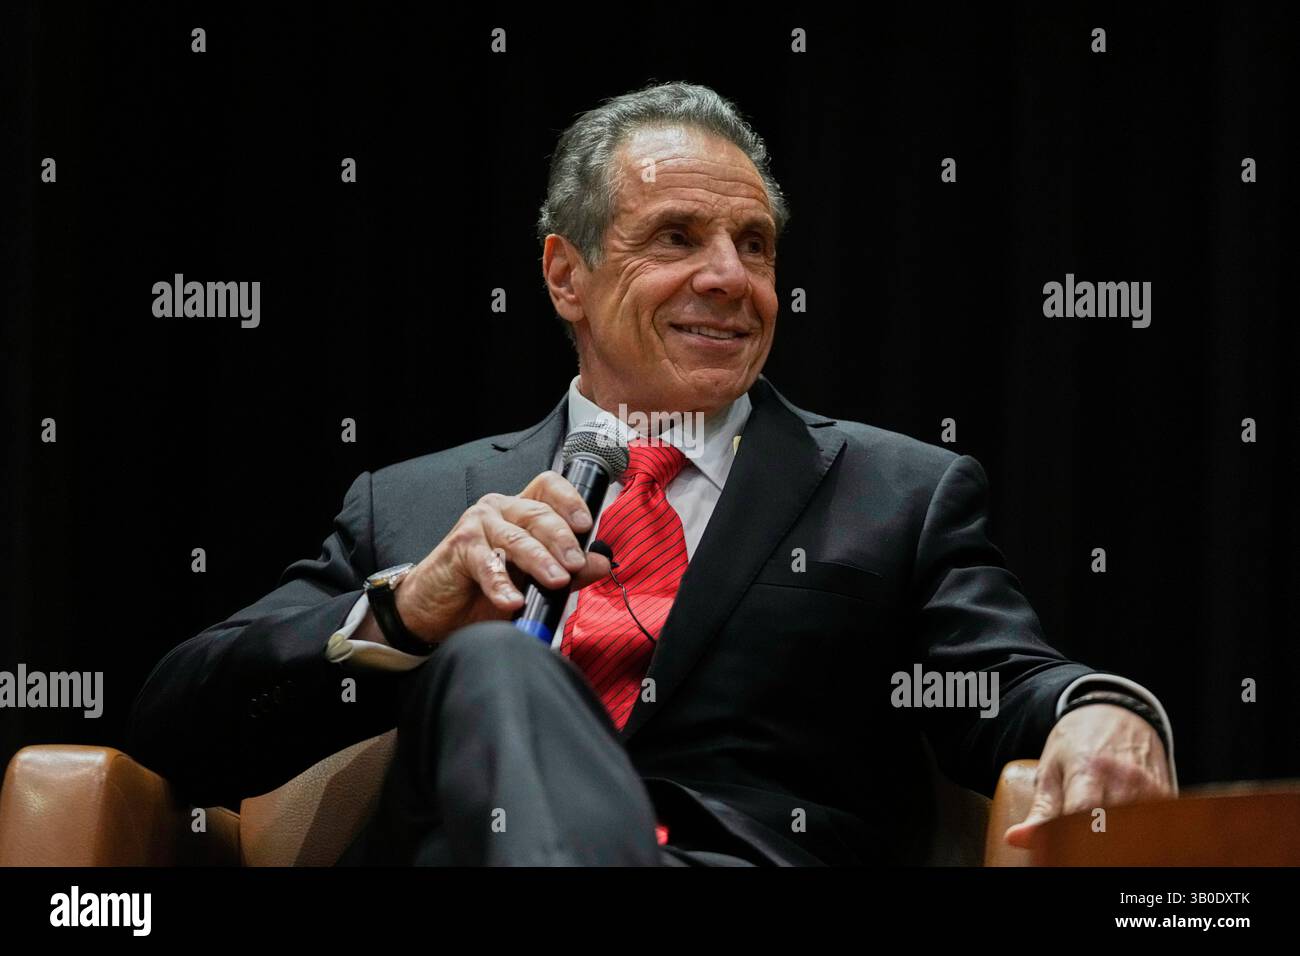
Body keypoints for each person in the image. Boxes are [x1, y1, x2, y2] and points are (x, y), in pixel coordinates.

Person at [126, 81, 1176, 866]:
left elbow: (1006, 678)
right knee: (492, 666)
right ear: (565, 275)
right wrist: (404, 615)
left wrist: (1100, 706)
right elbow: (178, 726)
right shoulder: (415, 504)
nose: (728, 276)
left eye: (754, 245)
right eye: (677, 237)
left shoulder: (896, 492)